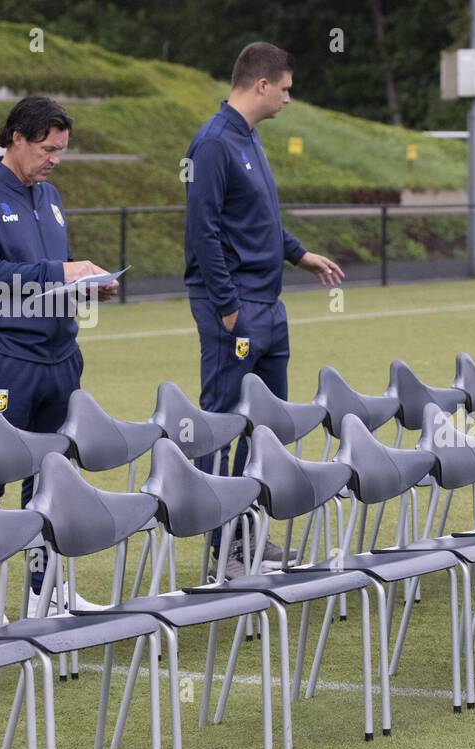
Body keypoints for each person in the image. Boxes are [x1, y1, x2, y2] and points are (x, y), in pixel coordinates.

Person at [0, 94, 116, 628]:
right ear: (16, 138)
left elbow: (51, 278)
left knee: (51, 475)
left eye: (62, 149)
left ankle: (46, 589)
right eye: (47, 148)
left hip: (61, 356)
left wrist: (85, 289)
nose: (55, 159)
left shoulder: (50, 194)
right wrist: (61, 273)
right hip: (7, 358)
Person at [185, 40, 344, 576]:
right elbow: (203, 231)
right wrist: (228, 308)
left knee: (266, 427)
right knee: (224, 423)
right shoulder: (211, 143)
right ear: (261, 84)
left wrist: (300, 255)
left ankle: (247, 536)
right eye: (286, 89)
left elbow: (259, 219)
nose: (289, 99)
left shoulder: (249, 138)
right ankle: (218, 548)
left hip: (268, 305)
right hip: (234, 307)